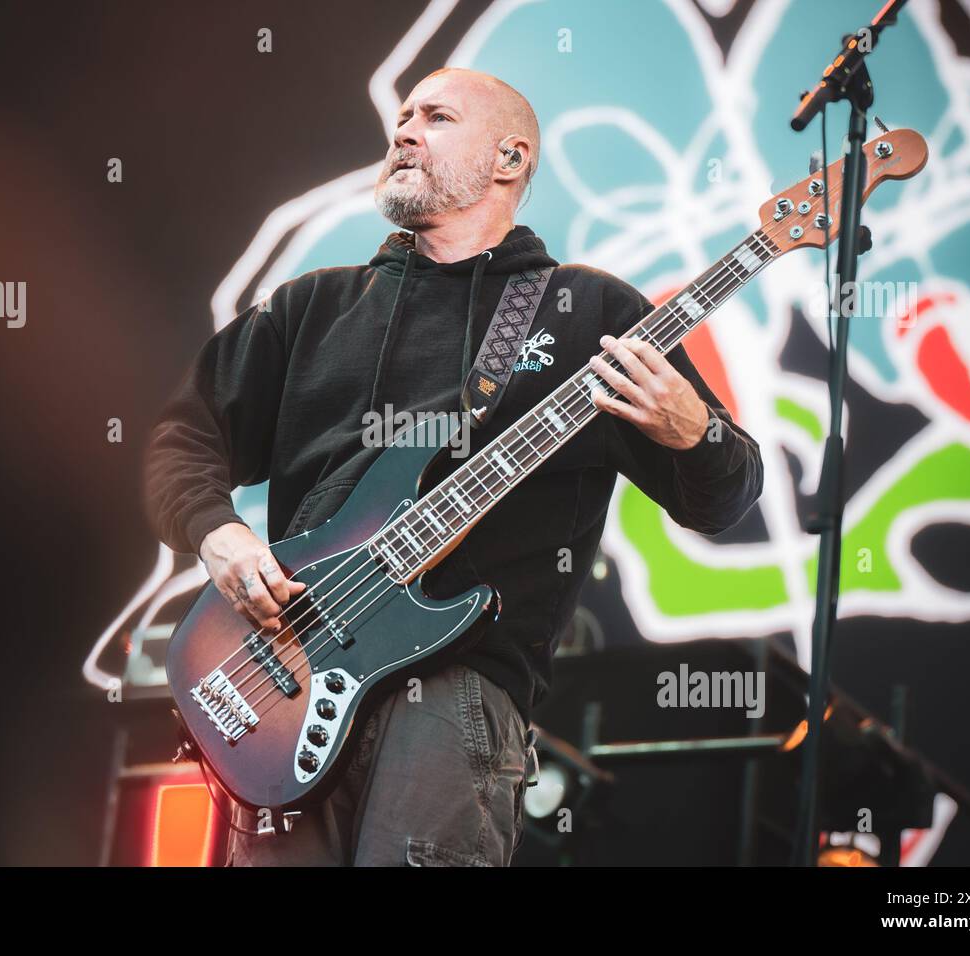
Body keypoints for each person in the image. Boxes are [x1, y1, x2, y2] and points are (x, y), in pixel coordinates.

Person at [143, 67, 763, 866]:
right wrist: (217, 535)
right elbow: (177, 437)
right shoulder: (314, 306)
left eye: (434, 117)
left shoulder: (588, 314)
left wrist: (694, 431)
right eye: (401, 116)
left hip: (452, 696)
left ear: (510, 157)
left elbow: (723, 499)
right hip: (279, 681)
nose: (403, 132)